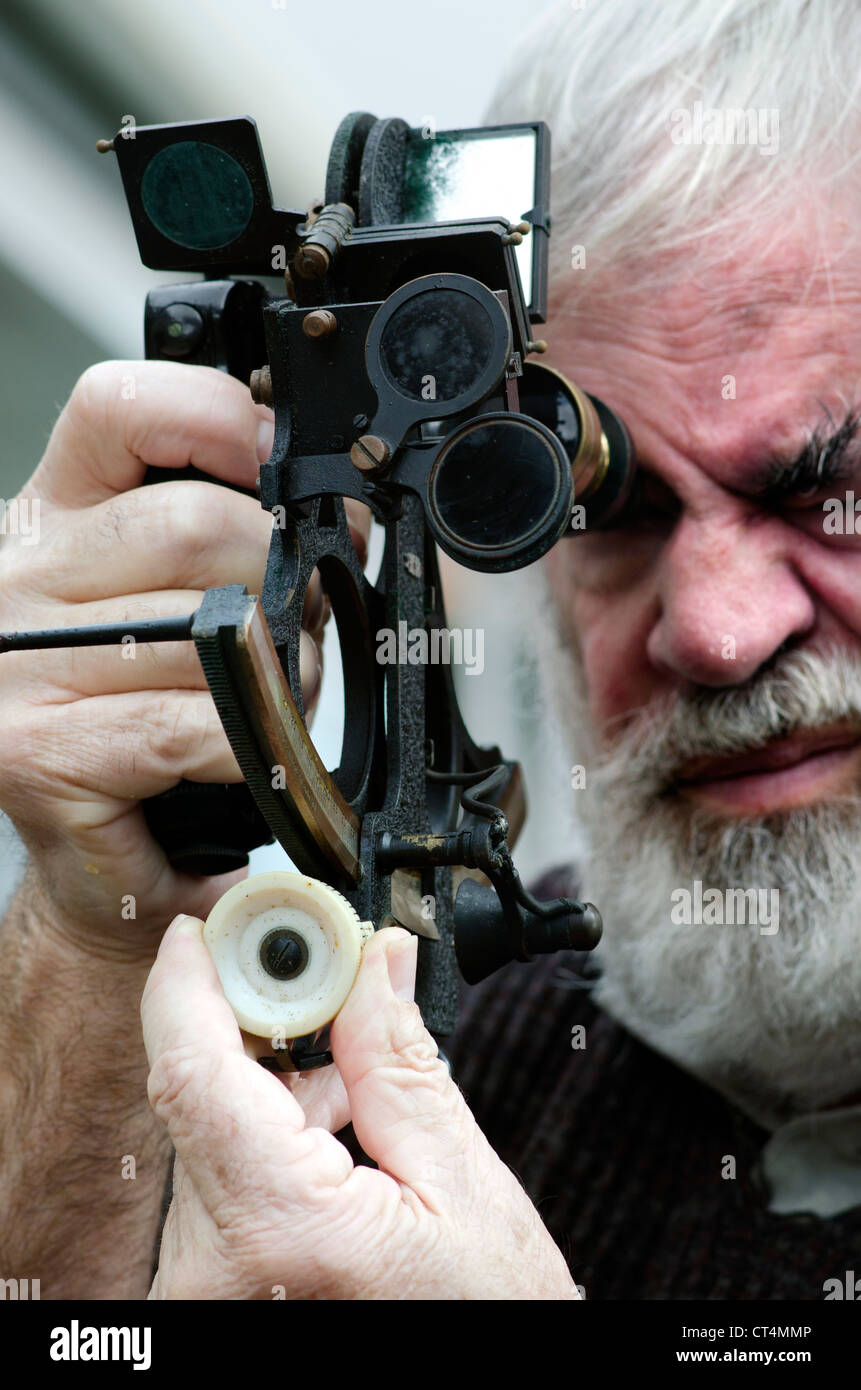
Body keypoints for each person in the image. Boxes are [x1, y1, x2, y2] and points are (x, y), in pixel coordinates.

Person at [1, 0, 859, 1299]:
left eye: (817, 494)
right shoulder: (469, 1053)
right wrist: (93, 913)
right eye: (605, 512)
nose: (716, 631)